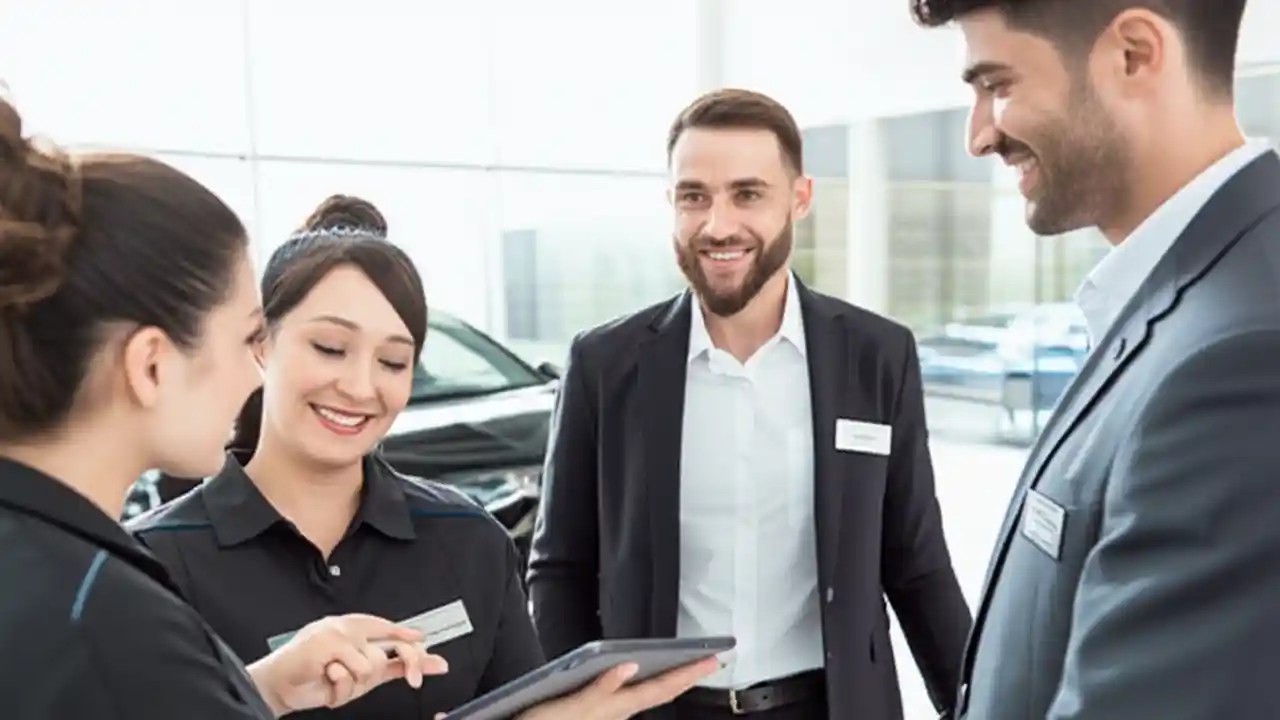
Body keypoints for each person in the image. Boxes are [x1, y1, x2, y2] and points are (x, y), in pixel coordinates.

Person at [127, 194, 717, 720]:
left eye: (392, 362)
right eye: (330, 348)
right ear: (262, 343)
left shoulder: (469, 541)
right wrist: (264, 692)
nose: (360, 387)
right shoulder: (153, 563)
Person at [527, 88, 972, 720]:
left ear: (800, 198)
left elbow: (916, 564)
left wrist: (977, 701)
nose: (718, 225)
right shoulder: (605, 365)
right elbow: (560, 568)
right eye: (694, 197)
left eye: (748, 193)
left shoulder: (876, 356)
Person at [0, 98, 447, 719]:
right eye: (246, 339)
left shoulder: (50, 573)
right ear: (151, 364)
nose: (253, 373)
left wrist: (257, 690)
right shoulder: (116, 624)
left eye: (394, 360)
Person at [912, 1, 1280, 718]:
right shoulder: (1186, 301)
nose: (978, 135)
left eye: (998, 84)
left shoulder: (1241, 354)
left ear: (1134, 54)